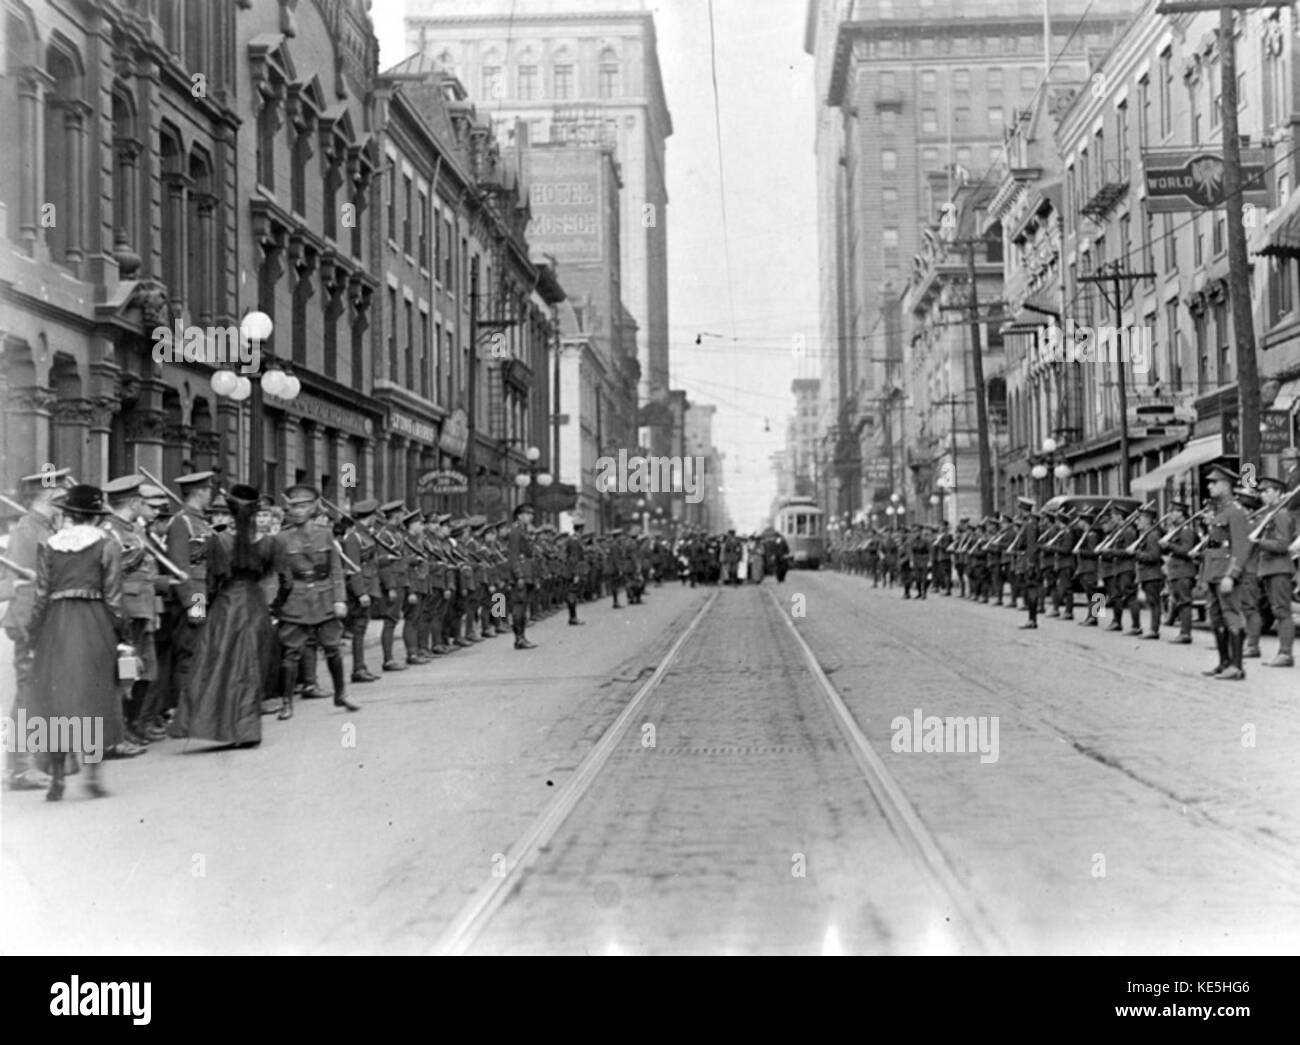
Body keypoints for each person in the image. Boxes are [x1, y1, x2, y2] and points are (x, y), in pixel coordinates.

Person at [28, 484, 124, 800]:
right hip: (94, 622)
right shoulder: (107, 545)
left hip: (56, 623)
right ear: (95, 517)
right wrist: (121, 632)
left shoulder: (49, 544)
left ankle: (57, 779)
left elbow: (41, 595)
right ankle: (93, 777)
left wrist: (34, 631)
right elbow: (113, 596)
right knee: (93, 696)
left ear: (70, 514)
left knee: (57, 699)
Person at [172, 486, 287, 746]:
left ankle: (220, 726)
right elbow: (281, 579)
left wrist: (201, 608)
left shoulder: (218, 540)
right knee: (250, 667)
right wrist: (276, 606)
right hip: (255, 605)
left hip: (226, 606)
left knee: (219, 667)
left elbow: (211, 582)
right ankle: (247, 729)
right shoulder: (270, 542)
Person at [1, 469, 69, 789]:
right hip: (32, 621)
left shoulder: (43, 527)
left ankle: (41, 760)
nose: (65, 499)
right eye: (60, 493)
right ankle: (20, 767)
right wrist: (31, 626)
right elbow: (23, 585)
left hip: (45, 618)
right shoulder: (29, 530)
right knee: (28, 692)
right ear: (48, 496)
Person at [272, 485, 360, 718]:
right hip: (295, 599)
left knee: (333, 648)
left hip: (324, 596)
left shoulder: (325, 533)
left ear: (313, 508)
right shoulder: (281, 539)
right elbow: (277, 575)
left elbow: (336, 570)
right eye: (294, 507)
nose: (298, 511)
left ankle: (340, 693)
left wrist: (340, 599)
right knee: (291, 652)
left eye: (303, 506)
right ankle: (286, 702)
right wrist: (275, 606)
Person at [1199, 465, 1250, 681]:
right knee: (1216, 618)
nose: (1209, 486)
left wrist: (1232, 574)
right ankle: (1224, 662)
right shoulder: (1219, 512)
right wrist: (1204, 576)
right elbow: (1212, 547)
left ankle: (1237, 666)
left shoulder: (1236, 512)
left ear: (1227, 486)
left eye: (1214, 482)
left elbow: (1241, 547)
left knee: (1231, 616)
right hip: (1213, 573)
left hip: (1225, 574)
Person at [1254, 476, 1296, 667]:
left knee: (1282, 611)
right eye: (1261, 492)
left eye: (1268, 491)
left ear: (1278, 493)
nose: (1263, 495)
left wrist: (1258, 543)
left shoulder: (1280, 514)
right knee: (1277, 610)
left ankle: (1286, 653)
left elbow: (1282, 545)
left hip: (1279, 567)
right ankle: (1282, 652)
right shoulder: (1269, 514)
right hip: (1270, 568)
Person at [507, 503, 538, 649]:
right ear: (519, 516)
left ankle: (522, 636)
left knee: (523, 606)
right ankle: (519, 638)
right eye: (527, 514)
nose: (530, 516)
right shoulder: (515, 532)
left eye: (531, 514)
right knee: (518, 606)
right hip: (520, 574)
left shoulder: (524, 531)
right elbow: (513, 555)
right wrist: (518, 575)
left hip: (528, 573)